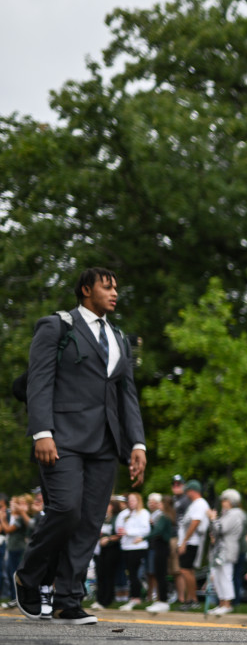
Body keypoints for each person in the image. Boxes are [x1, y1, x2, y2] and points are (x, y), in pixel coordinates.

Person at [13, 268, 147, 625]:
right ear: (86, 290)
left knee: (89, 522)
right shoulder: (56, 326)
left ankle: (67, 598)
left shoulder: (118, 337)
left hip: (106, 442)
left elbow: (126, 394)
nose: (115, 293)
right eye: (107, 287)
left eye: (117, 287)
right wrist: (42, 431)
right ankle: (28, 576)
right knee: (66, 510)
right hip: (62, 439)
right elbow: (39, 380)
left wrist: (137, 443)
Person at [207, 489, 247, 615]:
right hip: (221, 549)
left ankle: (227, 604)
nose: (222, 502)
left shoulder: (235, 514)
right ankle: (221, 603)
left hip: (227, 549)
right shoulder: (228, 513)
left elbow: (221, 529)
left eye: (224, 499)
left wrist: (213, 519)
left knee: (225, 576)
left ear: (230, 501)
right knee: (219, 576)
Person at [176, 480, 209, 610]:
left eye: (188, 491)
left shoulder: (200, 504)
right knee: (187, 570)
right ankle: (190, 599)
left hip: (192, 542)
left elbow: (195, 522)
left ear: (192, 491)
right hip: (190, 541)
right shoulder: (195, 504)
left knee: (186, 570)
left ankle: (192, 599)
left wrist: (184, 541)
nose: (186, 494)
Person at [115, 491, 151, 610]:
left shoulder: (143, 513)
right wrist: (121, 532)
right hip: (126, 546)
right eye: (129, 500)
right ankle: (133, 596)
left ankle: (136, 597)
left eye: (133, 500)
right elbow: (118, 527)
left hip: (138, 547)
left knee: (135, 573)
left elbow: (145, 530)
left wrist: (129, 532)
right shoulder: (124, 514)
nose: (131, 502)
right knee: (130, 573)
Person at [145, 496, 174, 612]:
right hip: (161, 547)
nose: (158, 505)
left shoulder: (164, 517)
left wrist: (143, 538)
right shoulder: (165, 516)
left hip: (161, 547)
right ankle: (160, 600)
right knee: (159, 574)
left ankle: (163, 601)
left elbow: (158, 531)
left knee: (160, 574)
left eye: (160, 503)